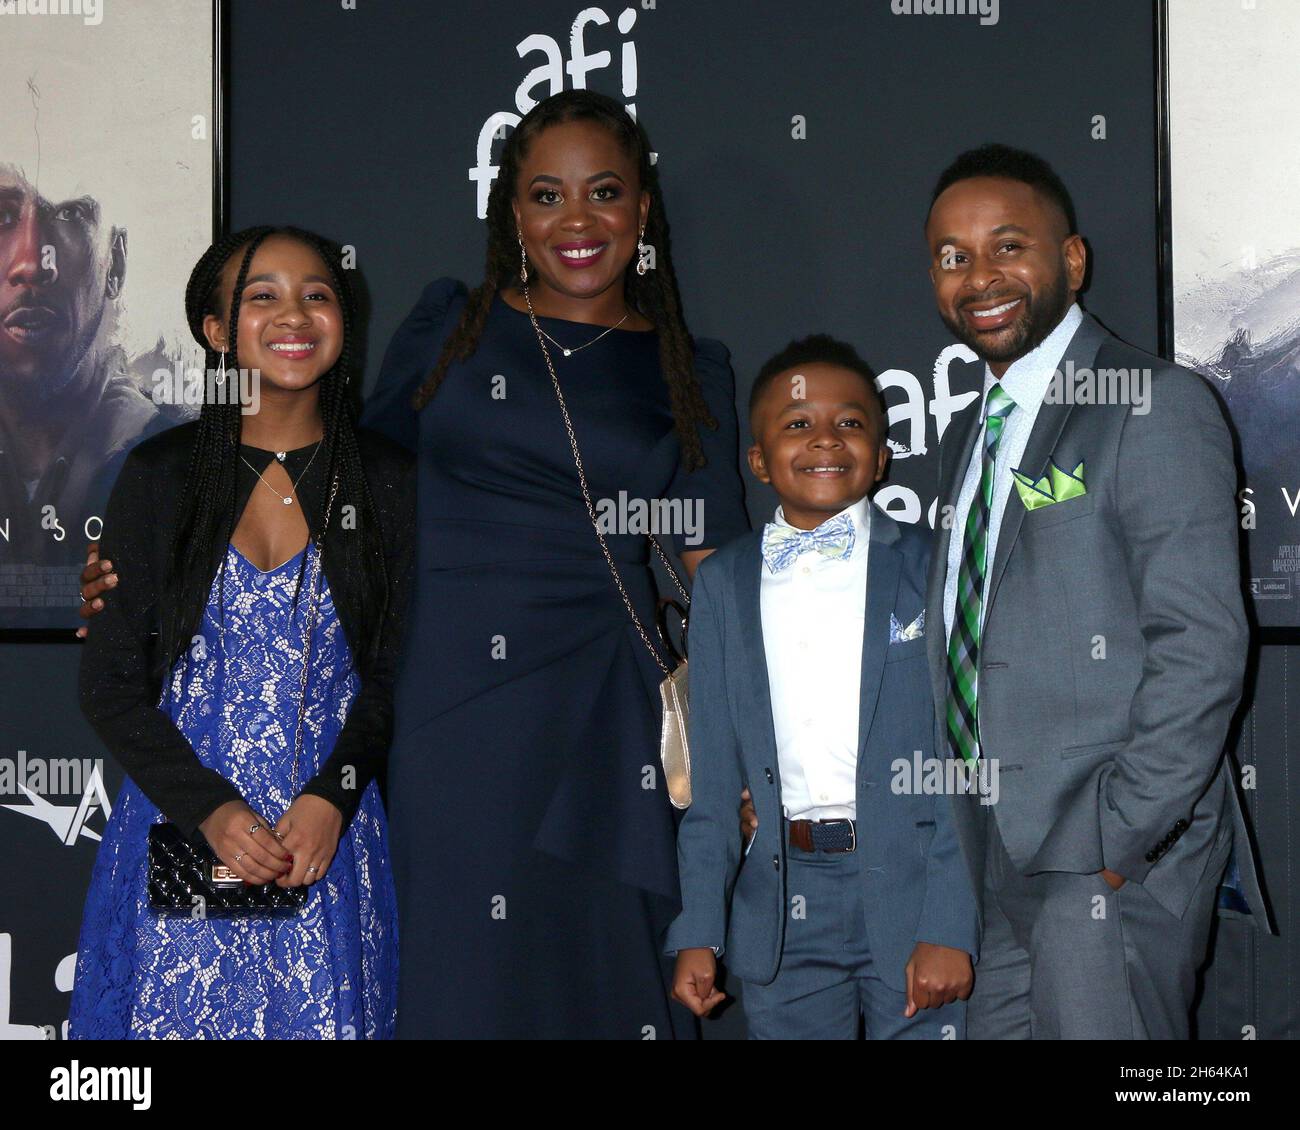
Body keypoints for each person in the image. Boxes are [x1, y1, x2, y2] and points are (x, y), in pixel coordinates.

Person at [358, 89, 750, 1038]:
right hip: (448, 704)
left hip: (604, 713)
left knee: (603, 978)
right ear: (513, 212)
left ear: (642, 209)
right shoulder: (450, 328)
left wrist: (754, 747)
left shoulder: (685, 368)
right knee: (461, 977)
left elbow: (720, 575)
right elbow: (344, 498)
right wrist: (169, 563)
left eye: (603, 192)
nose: (577, 221)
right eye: (547, 195)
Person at [922, 144, 1268, 1039]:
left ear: (1072, 261)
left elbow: (1201, 645)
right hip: (995, 854)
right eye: (953, 256)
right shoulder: (970, 432)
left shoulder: (1151, 401)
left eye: (1008, 246)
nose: (978, 277)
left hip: (1103, 862)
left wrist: (1115, 842)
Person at [69, 226, 412, 1039]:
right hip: (181, 826)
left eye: (317, 294)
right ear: (217, 329)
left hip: (325, 839)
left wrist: (333, 798)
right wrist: (212, 811)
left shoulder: (390, 479)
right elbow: (109, 685)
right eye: (263, 295)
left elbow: (397, 674)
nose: (294, 314)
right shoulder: (160, 475)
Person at [668, 335, 977, 1039]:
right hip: (781, 903)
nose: (826, 439)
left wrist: (949, 922)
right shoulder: (723, 582)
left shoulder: (935, 565)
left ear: (882, 455)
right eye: (798, 423)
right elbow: (713, 779)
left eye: (851, 422)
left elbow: (968, 758)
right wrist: (700, 927)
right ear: (758, 460)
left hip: (914, 890)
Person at [0, 163, 164, 577]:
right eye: (2, 217)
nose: (32, 264)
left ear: (116, 265)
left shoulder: (173, 454)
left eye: (70, 215)